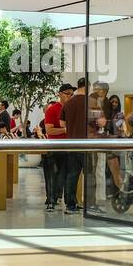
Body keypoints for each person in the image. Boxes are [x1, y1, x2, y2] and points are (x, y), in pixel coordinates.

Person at [62, 77, 90, 214]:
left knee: (72, 175)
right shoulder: (91, 102)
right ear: (87, 86)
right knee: (90, 175)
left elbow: (62, 124)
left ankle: (70, 205)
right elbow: (99, 122)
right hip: (87, 145)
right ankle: (90, 205)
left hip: (72, 144)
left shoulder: (68, 103)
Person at [43, 84, 72, 212]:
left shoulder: (73, 109)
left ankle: (69, 201)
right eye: (67, 93)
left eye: (72, 94)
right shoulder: (52, 110)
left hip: (70, 147)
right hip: (55, 147)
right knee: (53, 175)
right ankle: (51, 200)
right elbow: (49, 130)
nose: (70, 96)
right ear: (59, 94)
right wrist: (65, 130)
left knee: (67, 175)